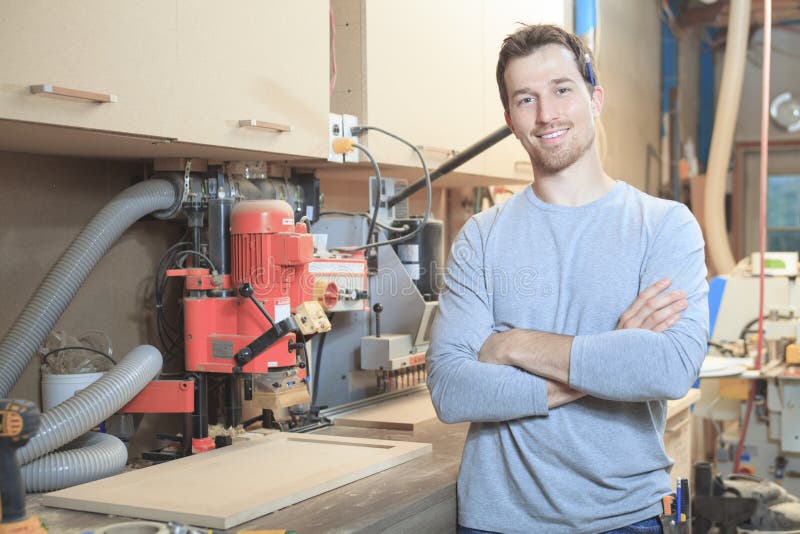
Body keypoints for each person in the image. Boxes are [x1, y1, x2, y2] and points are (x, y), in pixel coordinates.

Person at [426, 24, 708, 534]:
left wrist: (511, 343)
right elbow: (451, 390)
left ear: (594, 98)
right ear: (510, 119)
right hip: (499, 519)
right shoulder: (481, 237)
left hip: (626, 516)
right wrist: (614, 356)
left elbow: (668, 368)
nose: (547, 114)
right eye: (526, 99)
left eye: (562, 89)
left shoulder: (664, 225)